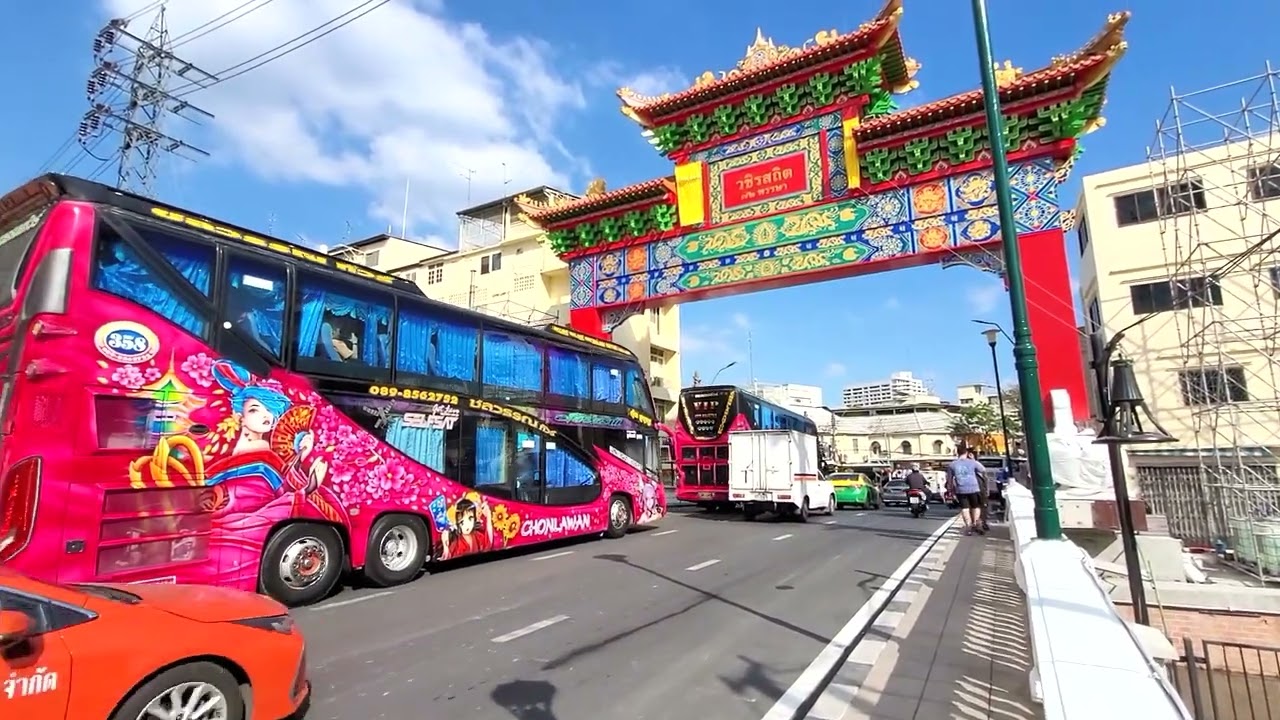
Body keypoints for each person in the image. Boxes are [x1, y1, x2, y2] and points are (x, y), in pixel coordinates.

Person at [946, 447, 987, 535]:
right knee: (976, 507)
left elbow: (949, 480)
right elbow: (983, 469)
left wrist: (950, 491)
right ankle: (976, 523)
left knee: (965, 509)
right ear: (967, 453)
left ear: (957, 453)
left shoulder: (952, 465)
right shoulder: (972, 462)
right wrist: (973, 459)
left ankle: (968, 527)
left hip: (961, 489)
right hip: (974, 488)